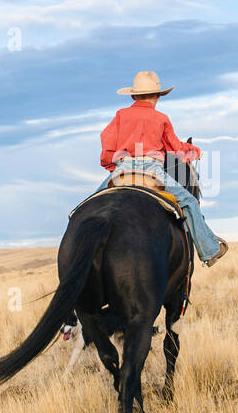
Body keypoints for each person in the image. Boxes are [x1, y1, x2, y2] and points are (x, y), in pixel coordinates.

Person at [97, 70, 228, 266]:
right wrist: (195, 151)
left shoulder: (120, 115)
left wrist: (110, 165)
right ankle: (209, 251)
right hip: (152, 170)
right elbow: (176, 149)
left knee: (89, 205)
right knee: (189, 202)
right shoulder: (161, 119)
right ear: (158, 96)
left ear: (133, 96)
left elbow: (107, 145)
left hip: (123, 169)